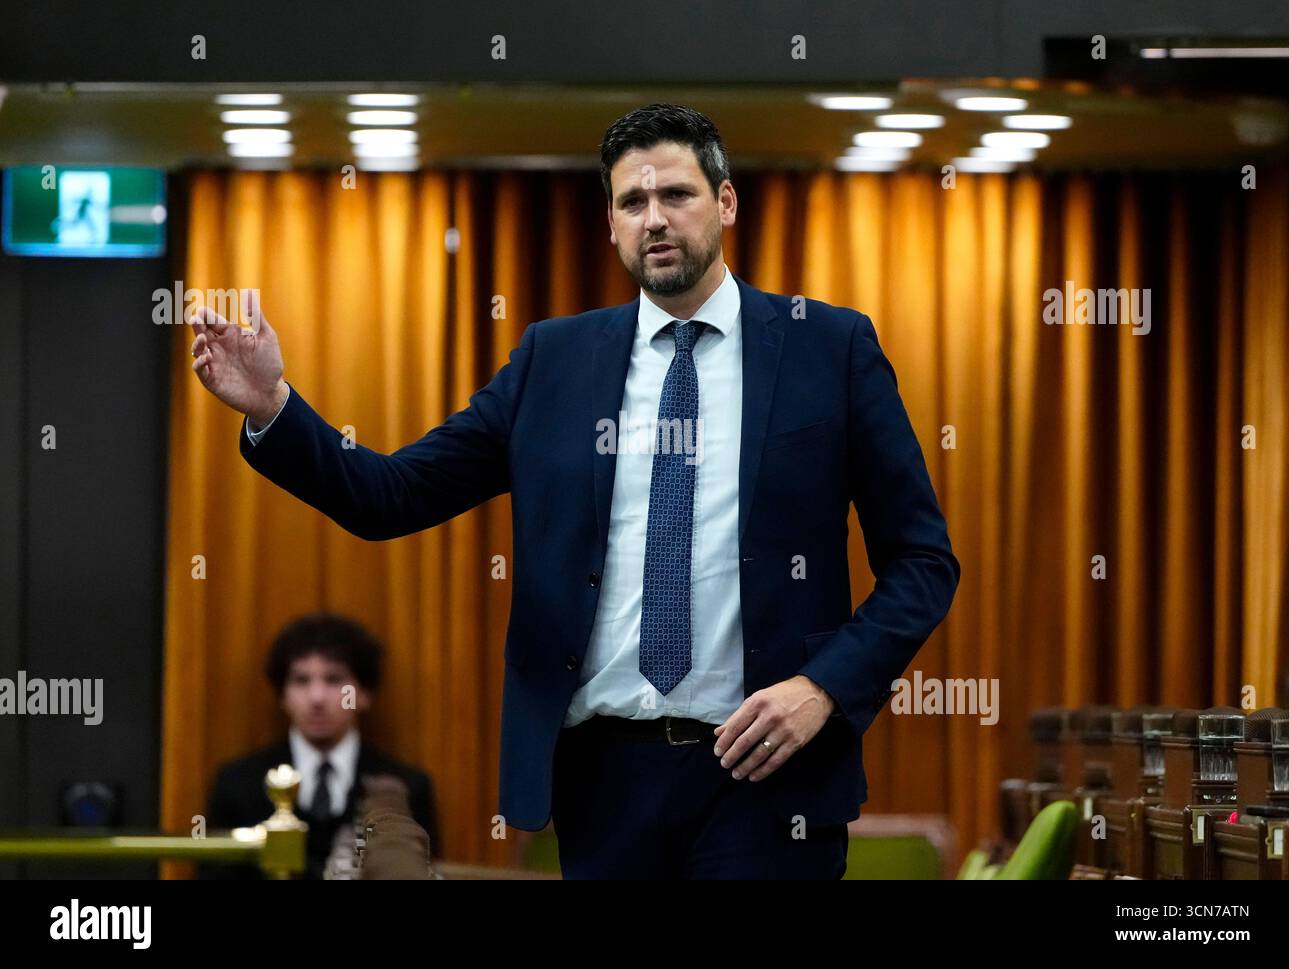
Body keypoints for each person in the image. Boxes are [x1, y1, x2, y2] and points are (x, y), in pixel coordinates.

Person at [187, 102, 959, 879]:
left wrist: (823, 686)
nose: (654, 219)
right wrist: (274, 408)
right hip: (603, 782)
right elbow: (390, 495)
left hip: (766, 778)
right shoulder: (552, 362)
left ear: (725, 203)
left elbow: (924, 561)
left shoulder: (829, 348)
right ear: (612, 223)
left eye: (677, 196)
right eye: (632, 202)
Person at [202, 613, 436, 879]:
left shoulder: (406, 788)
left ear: (365, 694)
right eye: (301, 680)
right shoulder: (238, 783)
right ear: (283, 696)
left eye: (334, 680)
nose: (317, 697)